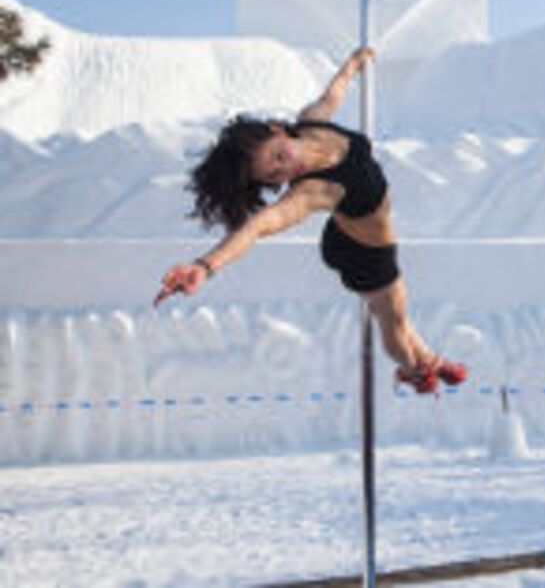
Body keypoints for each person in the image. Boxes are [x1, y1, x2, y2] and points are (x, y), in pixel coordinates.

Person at [155, 47, 467, 394]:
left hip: (343, 235)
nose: (286, 170)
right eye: (274, 176)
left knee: (398, 316)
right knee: (394, 321)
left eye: (278, 156)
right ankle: (412, 369)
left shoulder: (312, 121)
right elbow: (258, 225)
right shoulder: (312, 189)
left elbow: (332, 94)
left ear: (279, 130)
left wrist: (352, 65)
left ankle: (433, 363)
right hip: (367, 255)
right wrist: (205, 265)